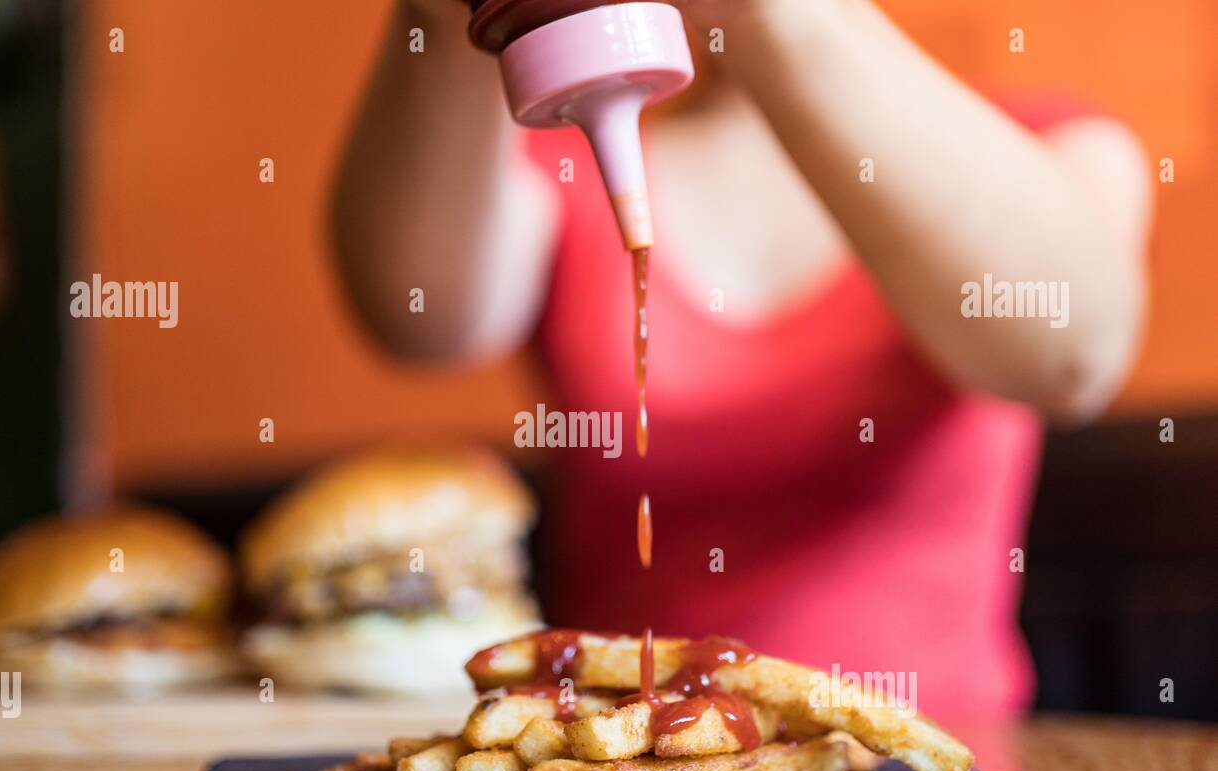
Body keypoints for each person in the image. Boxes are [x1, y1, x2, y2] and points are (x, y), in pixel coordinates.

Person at [330, 0, 1152, 716]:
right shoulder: (559, 165)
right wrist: (441, 17)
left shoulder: (1048, 143)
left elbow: (1067, 358)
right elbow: (420, 321)